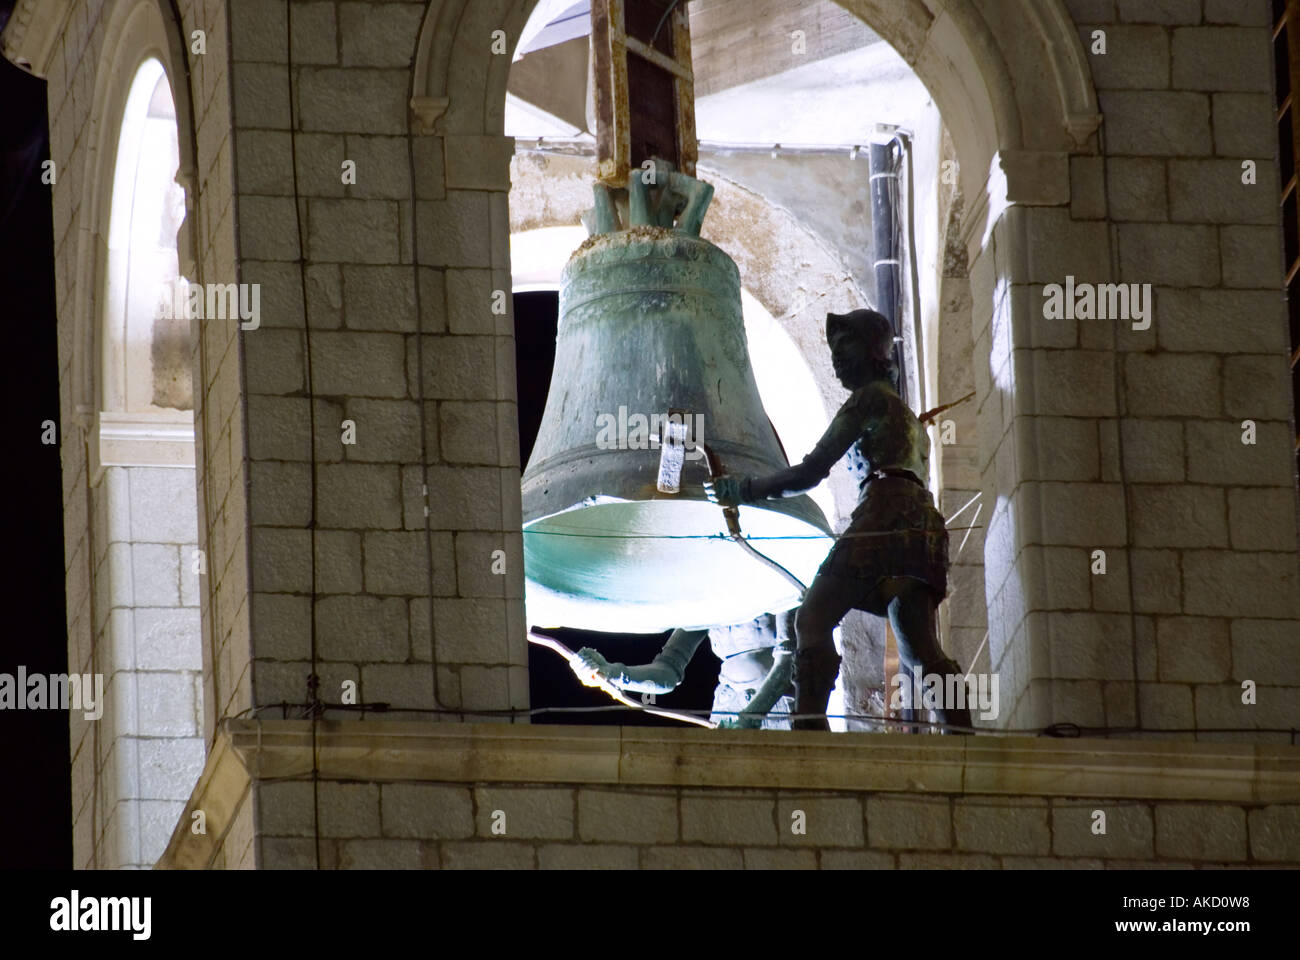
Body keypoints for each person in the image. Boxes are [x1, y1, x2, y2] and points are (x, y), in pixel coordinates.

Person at [706, 309, 972, 733]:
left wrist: (745, 489)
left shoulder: (867, 400)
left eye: (845, 346)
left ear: (871, 351)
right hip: (922, 530)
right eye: (833, 350)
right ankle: (964, 735)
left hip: (883, 514)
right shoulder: (905, 416)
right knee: (919, 647)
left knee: (810, 619)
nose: (836, 359)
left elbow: (810, 472)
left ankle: (810, 735)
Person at [569, 610, 797, 729]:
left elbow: (787, 663)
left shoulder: (780, 588)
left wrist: (751, 717)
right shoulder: (711, 600)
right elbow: (667, 671)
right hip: (727, 708)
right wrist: (614, 673)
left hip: (776, 707)